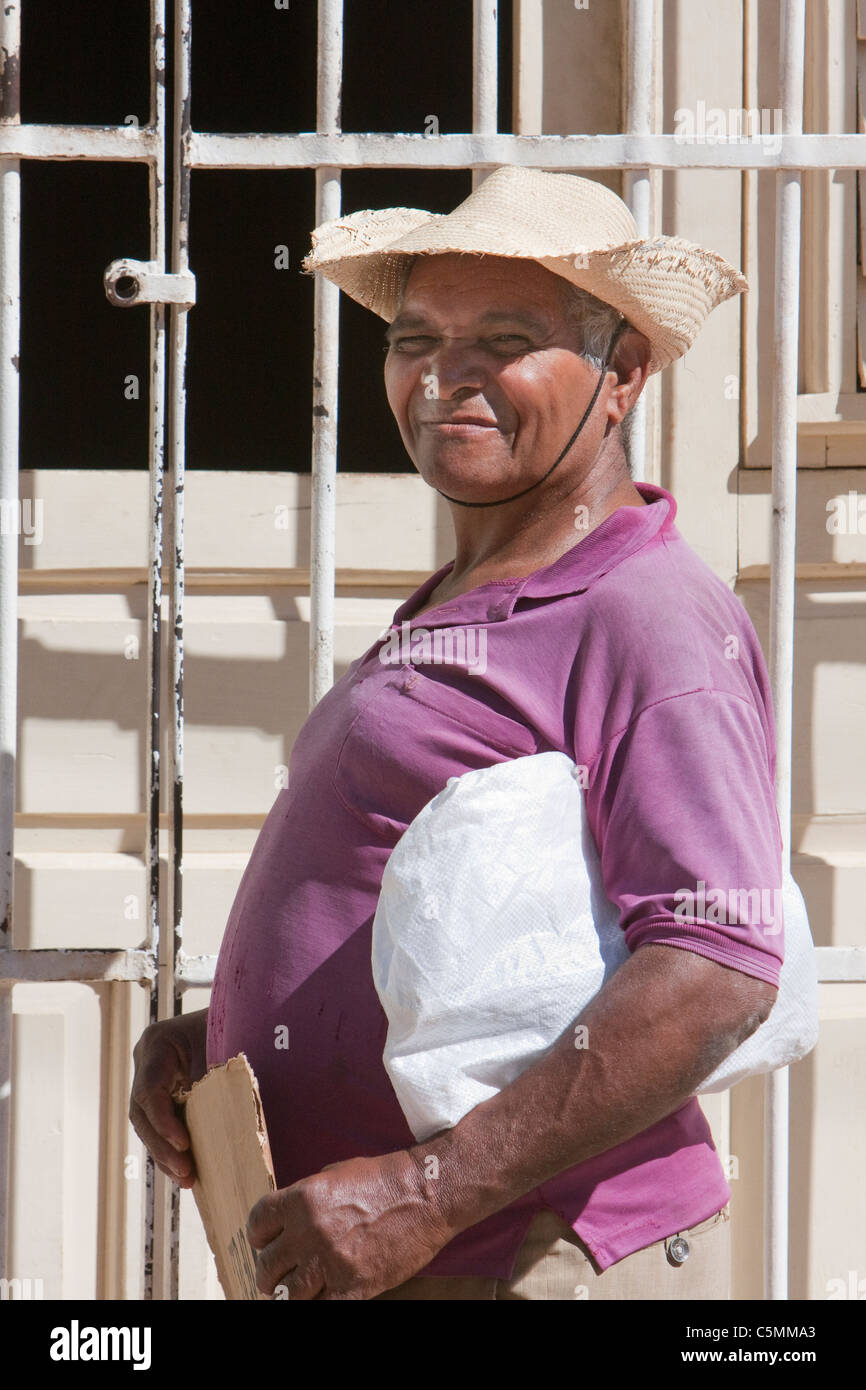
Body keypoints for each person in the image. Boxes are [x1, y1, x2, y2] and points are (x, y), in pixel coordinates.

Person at [130, 166, 783, 1301]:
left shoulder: (644, 616)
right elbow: (478, 925)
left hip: (531, 1258)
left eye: (504, 336)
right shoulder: (471, 591)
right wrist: (231, 1036)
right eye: (416, 335)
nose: (443, 374)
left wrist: (427, 1191)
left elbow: (714, 966)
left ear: (620, 374)